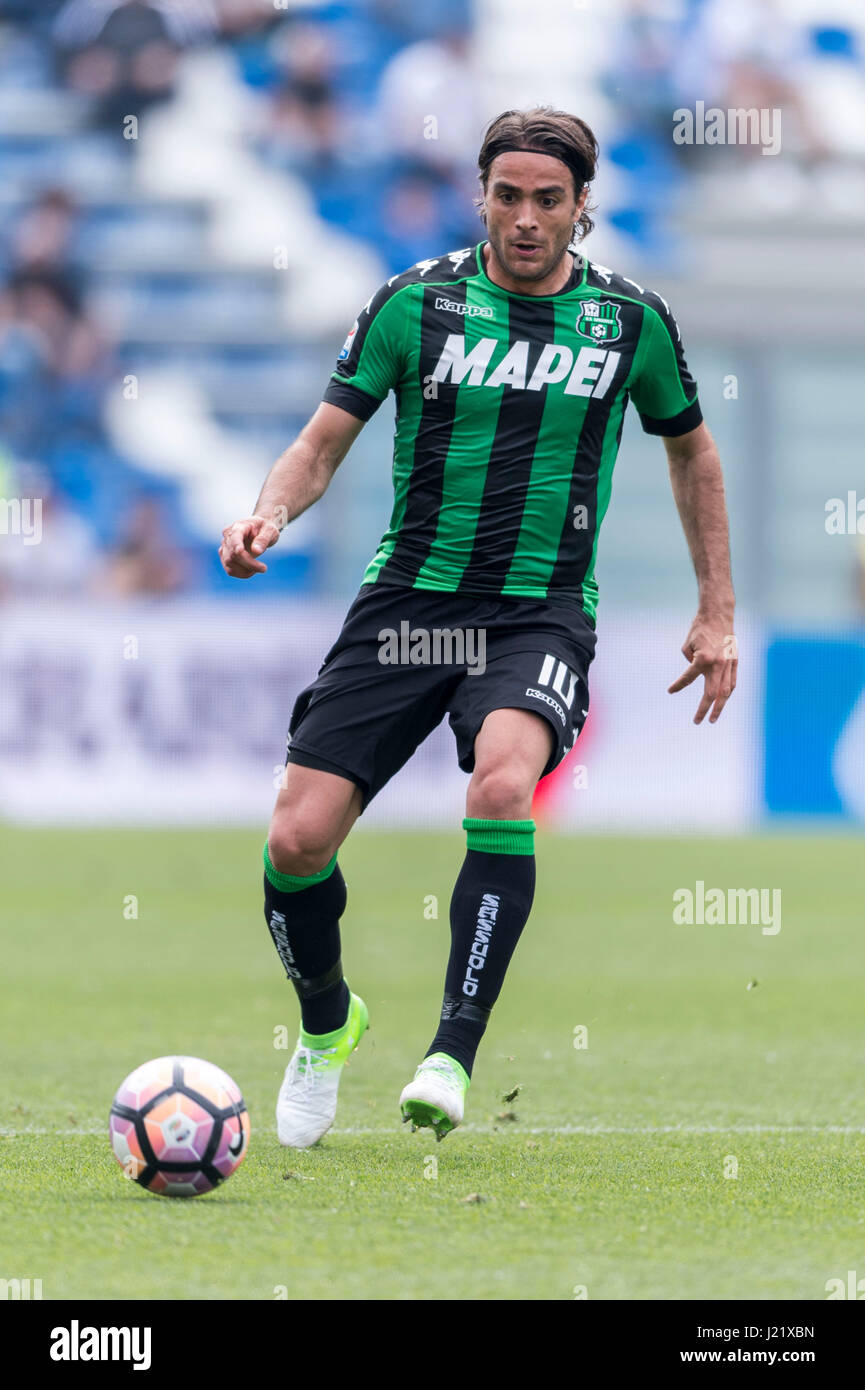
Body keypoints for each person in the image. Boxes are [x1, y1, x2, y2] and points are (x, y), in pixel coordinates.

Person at [218, 106, 737, 1149]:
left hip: (536, 612)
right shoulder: (418, 303)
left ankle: (451, 1052)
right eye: (508, 196)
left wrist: (715, 610)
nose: (527, 218)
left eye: (549, 200)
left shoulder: (628, 323)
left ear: (582, 206)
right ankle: (327, 1024)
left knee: (504, 782)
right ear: (481, 196)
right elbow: (322, 443)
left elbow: (693, 453)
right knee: (295, 839)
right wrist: (270, 509)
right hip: (408, 604)